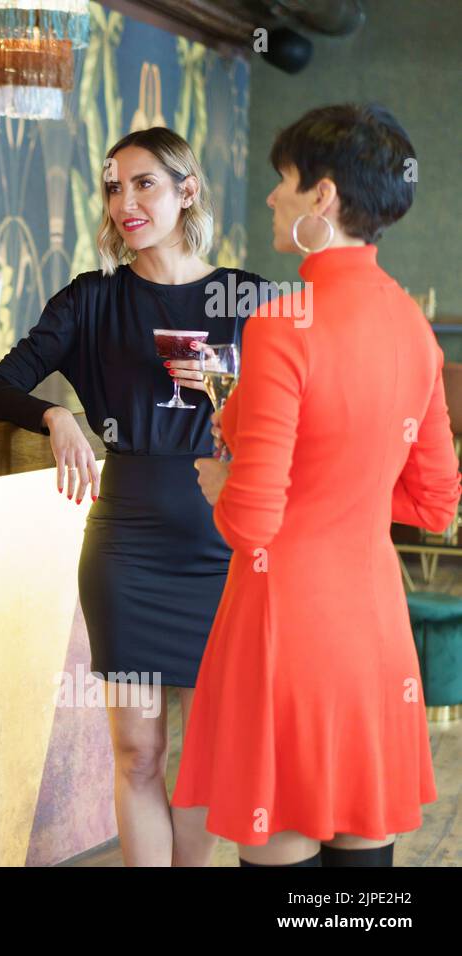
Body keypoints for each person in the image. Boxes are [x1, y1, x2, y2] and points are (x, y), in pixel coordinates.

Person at [0, 127, 270, 866]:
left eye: (144, 183)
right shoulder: (92, 302)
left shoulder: (248, 295)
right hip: (126, 550)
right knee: (138, 748)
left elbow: (303, 412)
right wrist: (56, 414)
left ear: (185, 189)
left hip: (223, 544)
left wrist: (230, 394)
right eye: (113, 186)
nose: (126, 201)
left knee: (203, 755)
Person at [175, 104, 461, 866]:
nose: (273, 196)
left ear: (323, 199)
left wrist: (224, 483)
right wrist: (346, 494)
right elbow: (435, 503)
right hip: (373, 635)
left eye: (285, 181)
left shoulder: (281, 324)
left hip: (286, 629)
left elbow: (250, 525)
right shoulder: (412, 326)